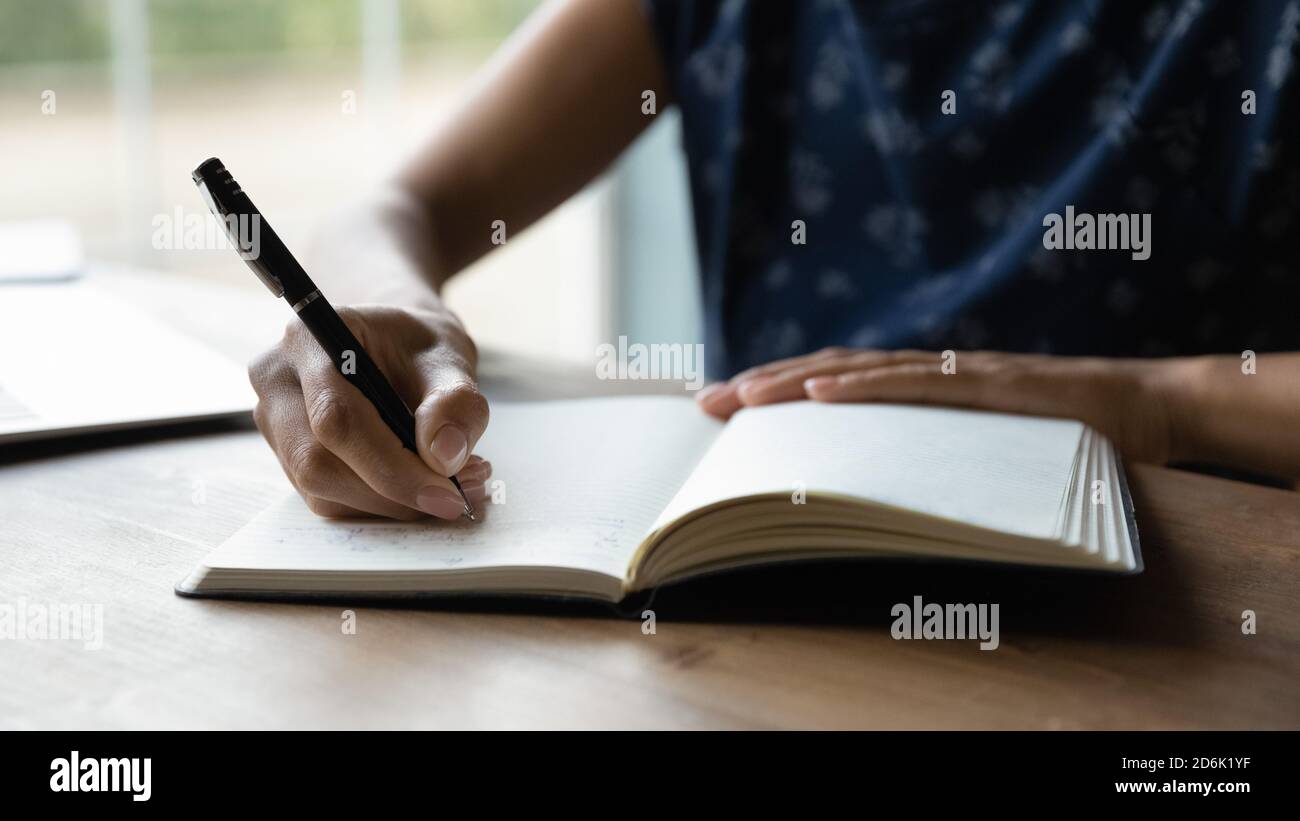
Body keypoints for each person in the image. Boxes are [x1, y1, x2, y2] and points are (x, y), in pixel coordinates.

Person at [248, 0, 1300, 520]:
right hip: (753, 583)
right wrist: (385, 309)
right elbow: (404, 205)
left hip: (1179, 606)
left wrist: (1153, 403)